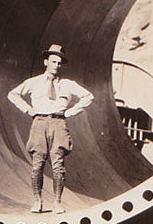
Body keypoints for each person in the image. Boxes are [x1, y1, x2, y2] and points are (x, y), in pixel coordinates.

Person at [7, 44, 94, 214]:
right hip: (39, 122)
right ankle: (37, 201)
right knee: (37, 165)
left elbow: (88, 96)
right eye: (53, 61)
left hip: (58, 123)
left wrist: (70, 112)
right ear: (46, 62)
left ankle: (57, 203)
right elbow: (12, 94)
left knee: (58, 165)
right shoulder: (34, 82)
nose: (56, 65)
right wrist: (28, 109)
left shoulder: (68, 84)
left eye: (60, 63)